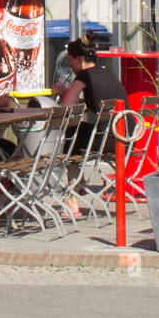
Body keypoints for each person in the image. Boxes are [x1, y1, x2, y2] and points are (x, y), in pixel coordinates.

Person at [51, 36, 128, 216]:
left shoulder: (84, 75)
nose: (70, 65)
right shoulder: (107, 71)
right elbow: (98, 101)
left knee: (70, 136)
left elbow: (66, 107)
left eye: (70, 60)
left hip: (108, 139)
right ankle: (79, 183)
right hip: (127, 135)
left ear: (78, 59)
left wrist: (63, 92)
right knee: (79, 135)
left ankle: (73, 198)